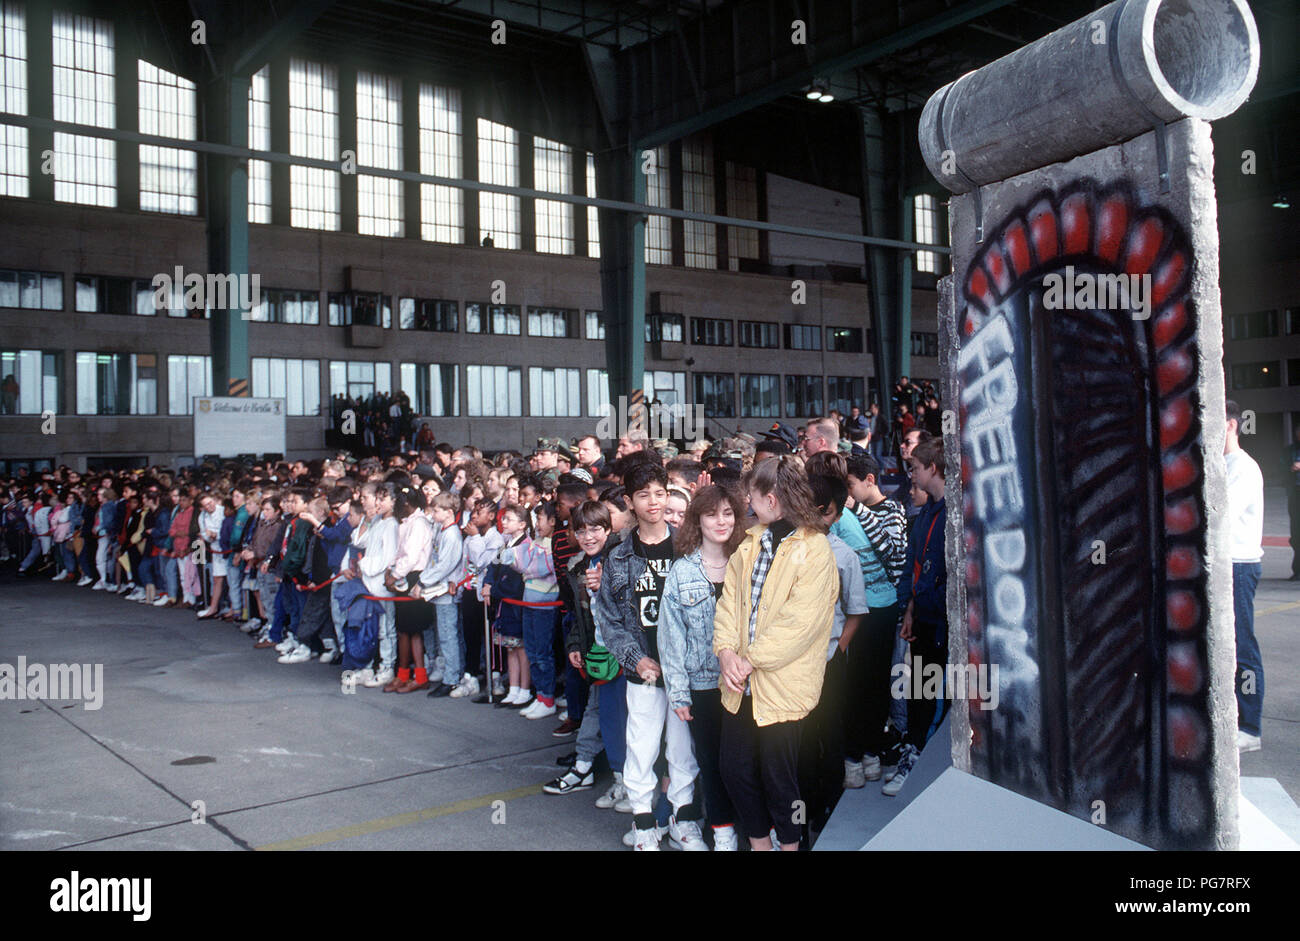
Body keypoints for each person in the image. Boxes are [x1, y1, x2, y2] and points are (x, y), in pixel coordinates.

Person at [713, 454, 838, 851]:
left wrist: (748, 661)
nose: (747, 505)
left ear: (773, 498)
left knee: (780, 779)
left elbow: (800, 624)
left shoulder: (815, 550)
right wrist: (725, 653)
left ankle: (790, 843)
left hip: (781, 687)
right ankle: (760, 843)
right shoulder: (751, 542)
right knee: (734, 770)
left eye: (752, 496)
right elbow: (728, 604)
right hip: (739, 684)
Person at [594, 462, 704, 851]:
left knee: (682, 748)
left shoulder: (690, 547)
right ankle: (644, 825)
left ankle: (683, 820)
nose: (653, 502)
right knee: (641, 745)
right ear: (629, 502)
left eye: (660, 493)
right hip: (644, 670)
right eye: (643, 495)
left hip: (685, 672)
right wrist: (634, 658)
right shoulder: (619, 556)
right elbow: (609, 619)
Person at [658, 484, 747, 851]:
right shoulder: (681, 572)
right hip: (703, 686)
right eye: (712, 514)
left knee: (744, 763)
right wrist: (678, 692)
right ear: (697, 519)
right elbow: (670, 639)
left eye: (728, 513)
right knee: (711, 762)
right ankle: (722, 831)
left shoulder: (749, 560)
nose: (720, 521)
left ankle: (759, 828)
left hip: (746, 684)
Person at [800, 474, 868, 840]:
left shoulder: (845, 555)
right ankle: (803, 809)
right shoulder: (787, 547)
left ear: (833, 513)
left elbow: (856, 611)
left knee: (830, 734)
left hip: (828, 661)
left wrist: (839, 650)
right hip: (792, 663)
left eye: (820, 510)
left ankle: (827, 809)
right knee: (801, 738)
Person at [888, 436, 947, 797]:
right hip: (924, 617)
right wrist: (909, 606)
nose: (911, 474)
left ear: (933, 469)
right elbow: (916, 564)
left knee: (943, 693)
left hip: (944, 621)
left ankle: (928, 757)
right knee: (919, 688)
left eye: (915, 468)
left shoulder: (953, 513)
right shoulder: (926, 513)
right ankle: (914, 749)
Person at [843, 453, 907, 785]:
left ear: (869, 481)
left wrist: (857, 510)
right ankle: (857, 753)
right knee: (857, 683)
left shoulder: (893, 511)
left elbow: (889, 551)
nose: (847, 493)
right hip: (859, 609)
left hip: (884, 609)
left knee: (876, 683)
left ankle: (869, 750)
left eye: (850, 485)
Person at [1225, 400, 1264, 752]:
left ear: (1232, 425)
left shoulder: (1243, 467)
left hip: (1239, 564)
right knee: (1230, 645)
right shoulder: (1223, 464)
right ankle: (1236, 719)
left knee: (1243, 645)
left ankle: (1250, 728)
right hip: (1227, 565)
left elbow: (1222, 515)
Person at [1287, 424, 1300, 581]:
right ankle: (1297, 569)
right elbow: (1280, 467)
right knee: (1296, 532)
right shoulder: (1290, 450)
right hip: (1295, 493)